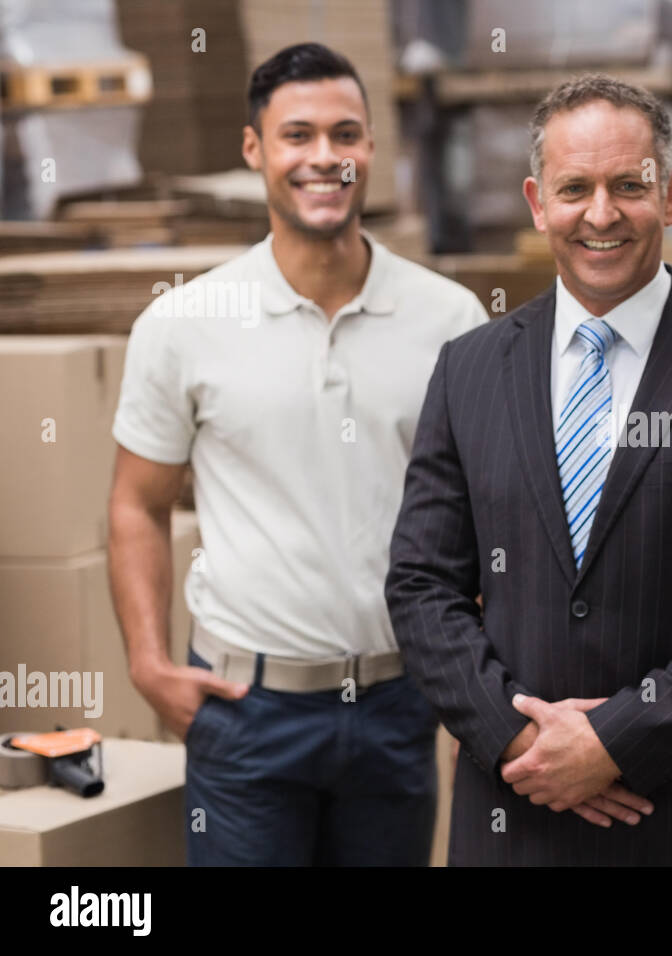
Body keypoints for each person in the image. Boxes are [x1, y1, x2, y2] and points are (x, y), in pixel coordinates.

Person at [386, 73, 672, 866]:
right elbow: (422, 584)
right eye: (574, 188)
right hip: (512, 812)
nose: (601, 214)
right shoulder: (469, 369)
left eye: (629, 185)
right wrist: (522, 738)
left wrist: (615, 740)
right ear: (535, 201)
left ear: (671, 193)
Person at [108, 42, 488, 865]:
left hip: (400, 706)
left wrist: (477, 692)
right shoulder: (184, 326)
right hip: (247, 710)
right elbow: (135, 504)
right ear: (254, 151)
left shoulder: (450, 321)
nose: (324, 157)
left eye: (345, 134)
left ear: (371, 150)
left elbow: (485, 521)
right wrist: (147, 664)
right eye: (298, 135)